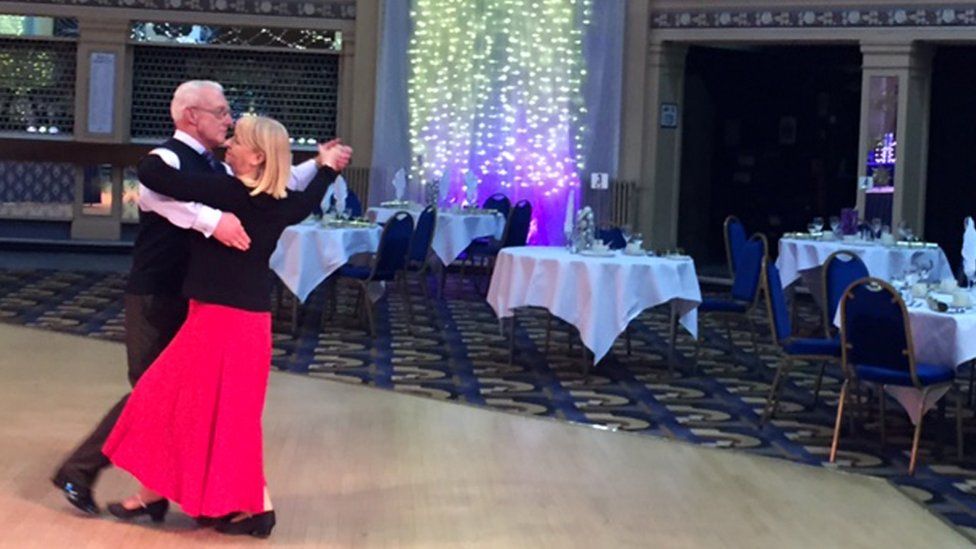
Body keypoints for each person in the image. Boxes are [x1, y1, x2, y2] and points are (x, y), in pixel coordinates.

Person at [51, 80, 319, 515]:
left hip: (197, 299)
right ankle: (81, 471)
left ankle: (161, 493)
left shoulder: (214, 166)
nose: (228, 120)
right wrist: (214, 222)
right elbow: (158, 196)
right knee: (152, 396)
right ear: (192, 115)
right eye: (221, 111)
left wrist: (319, 165)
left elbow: (272, 185)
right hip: (158, 292)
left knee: (183, 400)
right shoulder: (168, 157)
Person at [101, 115, 351, 538]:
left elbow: (154, 175)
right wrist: (325, 167)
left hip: (220, 322)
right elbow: (307, 196)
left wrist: (162, 148)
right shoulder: (279, 202)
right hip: (242, 323)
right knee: (199, 410)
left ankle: (258, 509)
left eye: (236, 142)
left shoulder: (229, 193)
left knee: (173, 403)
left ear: (255, 157)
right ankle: (157, 495)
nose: (227, 146)